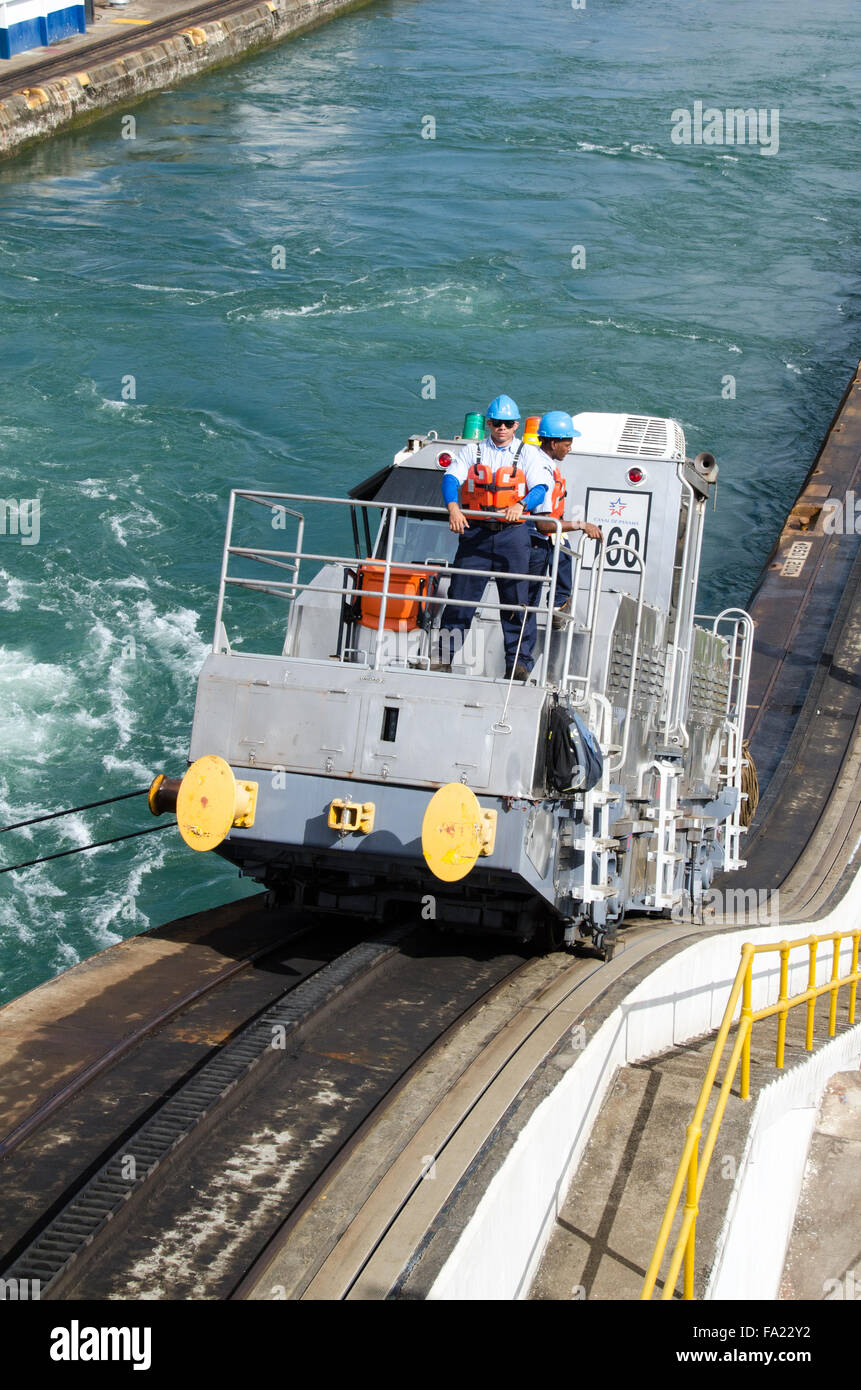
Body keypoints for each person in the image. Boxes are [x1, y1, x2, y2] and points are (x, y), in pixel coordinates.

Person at [439, 394, 549, 681]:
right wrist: (453, 508)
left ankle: (519, 663)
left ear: (516, 425)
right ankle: (442, 657)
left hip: (512, 536)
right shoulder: (472, 452)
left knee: (516, 601)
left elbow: (540, 487)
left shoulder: (528, 453)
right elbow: (451, 478)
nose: (502, 428)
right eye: (497, 423)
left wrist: (520, 505)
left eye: (508, 424)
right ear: (489, 423)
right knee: (460, 598)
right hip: (475, 534)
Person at [529, 410, 602, 629]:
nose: (570, 447)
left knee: (563, 551)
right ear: (553, 443)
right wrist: (580, 525)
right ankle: (559, 606)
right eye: (567, 442)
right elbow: (542, 522)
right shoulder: (541, 468)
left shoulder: (546, 464)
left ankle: (559, 605)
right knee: (529, 594)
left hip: (546, 532)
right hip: (535, 532)